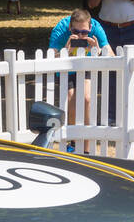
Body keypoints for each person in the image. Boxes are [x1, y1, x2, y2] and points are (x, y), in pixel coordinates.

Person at [48, 8, 113, 152]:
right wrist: (66, 50)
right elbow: (49, 58)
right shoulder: (60, 30)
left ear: (90, 28)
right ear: (70, 27)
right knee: (71, 98)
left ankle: (86, 148)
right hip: (67, 68)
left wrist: (98, 50)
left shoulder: (96, 29)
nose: (80, 36)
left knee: (86, 98)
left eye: (84, 32)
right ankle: (73, 143)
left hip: (86, 67)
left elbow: (113, 57)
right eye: (76, 32)